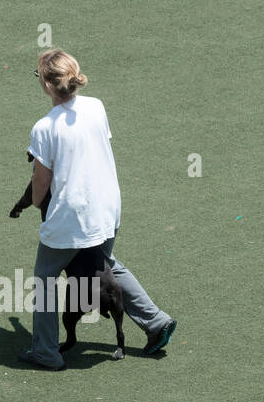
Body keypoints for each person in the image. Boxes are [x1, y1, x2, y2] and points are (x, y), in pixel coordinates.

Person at [16, 49, 176, 370]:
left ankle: (46, 352)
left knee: (46, 277)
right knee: (106, 264)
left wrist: (34, 202)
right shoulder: (96, 107)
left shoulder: (44, 128)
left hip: (70, 220)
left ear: (48, 85)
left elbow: (41, 185)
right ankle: (155, 321)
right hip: (107, 209)